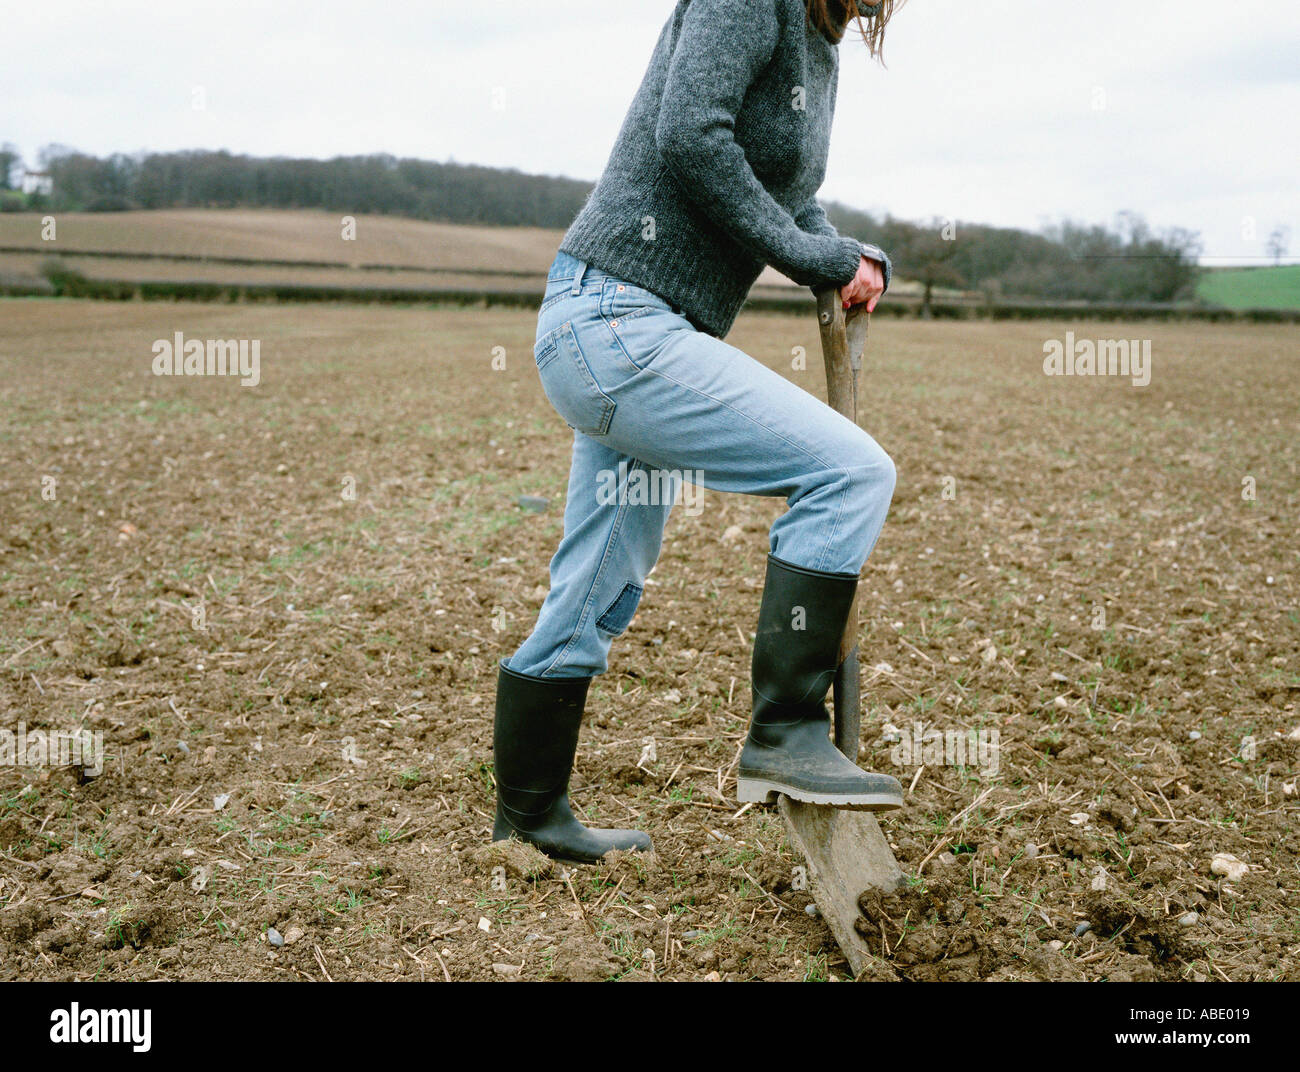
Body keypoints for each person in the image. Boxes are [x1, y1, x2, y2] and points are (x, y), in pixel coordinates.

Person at [492, 0, 908, 863]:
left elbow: (787, 198)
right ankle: (786, 731)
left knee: (599, 582)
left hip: (622, 330)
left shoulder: (816, 42)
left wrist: (844, 251)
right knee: (850, 473)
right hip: (618, 323)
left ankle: (529, 821)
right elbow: (692, 135)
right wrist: (815, 259)